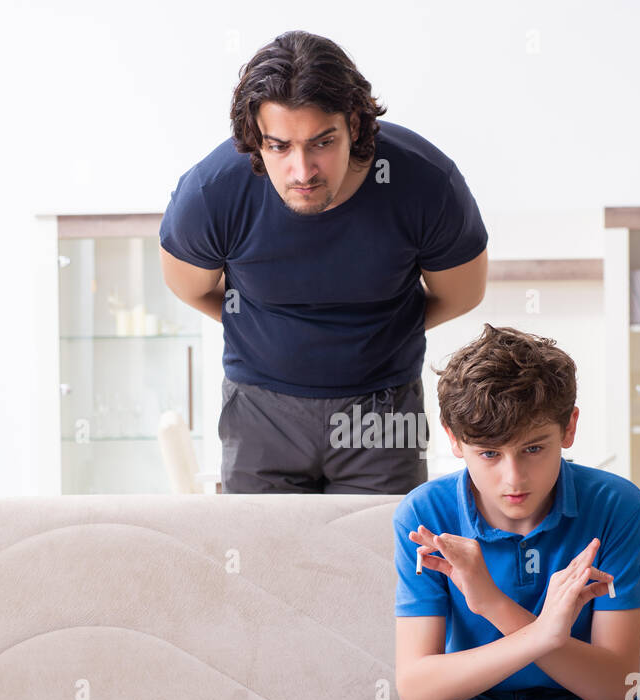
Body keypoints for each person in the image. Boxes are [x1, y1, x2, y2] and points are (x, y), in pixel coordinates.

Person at [354, 324, 640, 700]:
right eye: (488, 453)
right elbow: (417, 688)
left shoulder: (616, 507)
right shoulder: (423, 514)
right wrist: (540, 632)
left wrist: (494, 606)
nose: (513, 477)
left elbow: (612, 688)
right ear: (454, 441)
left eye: (534, 448)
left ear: (570, 427)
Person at [158, 30, 488, 494]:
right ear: (256, 137)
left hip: (384, 410)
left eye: (322, 142)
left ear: (354, 122)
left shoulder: (425, 182)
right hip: (260, 411)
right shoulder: (213, 191)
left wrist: (371, 337)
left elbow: (462, 293)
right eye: (279, 147)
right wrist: (273, 332)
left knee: (377, 562)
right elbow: (188, 285)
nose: (302, 170)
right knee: (262, 561)